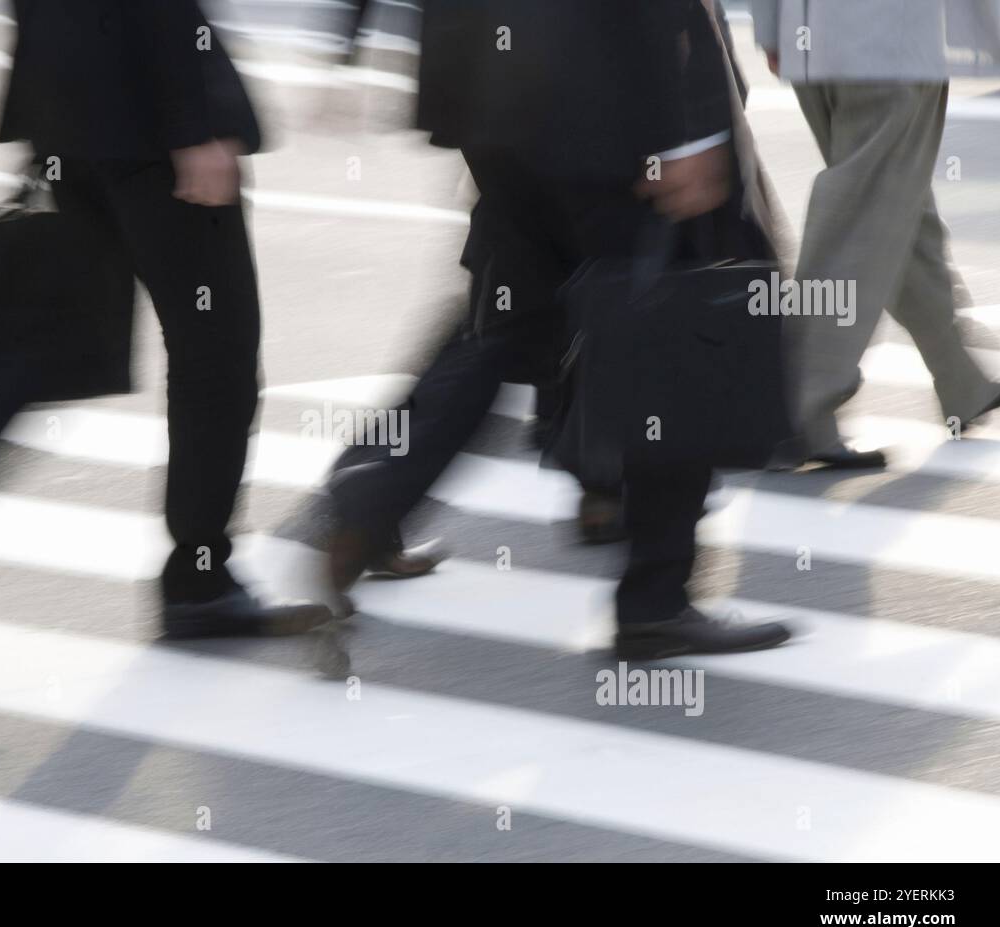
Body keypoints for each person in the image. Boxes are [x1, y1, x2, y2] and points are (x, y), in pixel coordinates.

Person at [319, 0, 793, 659]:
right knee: (670, 338)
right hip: (613, 106)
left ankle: (372, 496)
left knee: (506, 321)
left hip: (494, 100)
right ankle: (655, 599)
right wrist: (692, 129)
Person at [0, 0, 332, 654]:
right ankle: (198, 583)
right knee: (216, 355)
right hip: (153, 125)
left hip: (71, 111)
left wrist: (43, 113)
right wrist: (194, 124)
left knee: (66, 341)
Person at [750, 0, 1000, 469]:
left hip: (812, 42)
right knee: (860, 222)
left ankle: (959, 378)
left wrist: (771, 29)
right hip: (890, 43)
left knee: (893, 208)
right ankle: (800, 406)